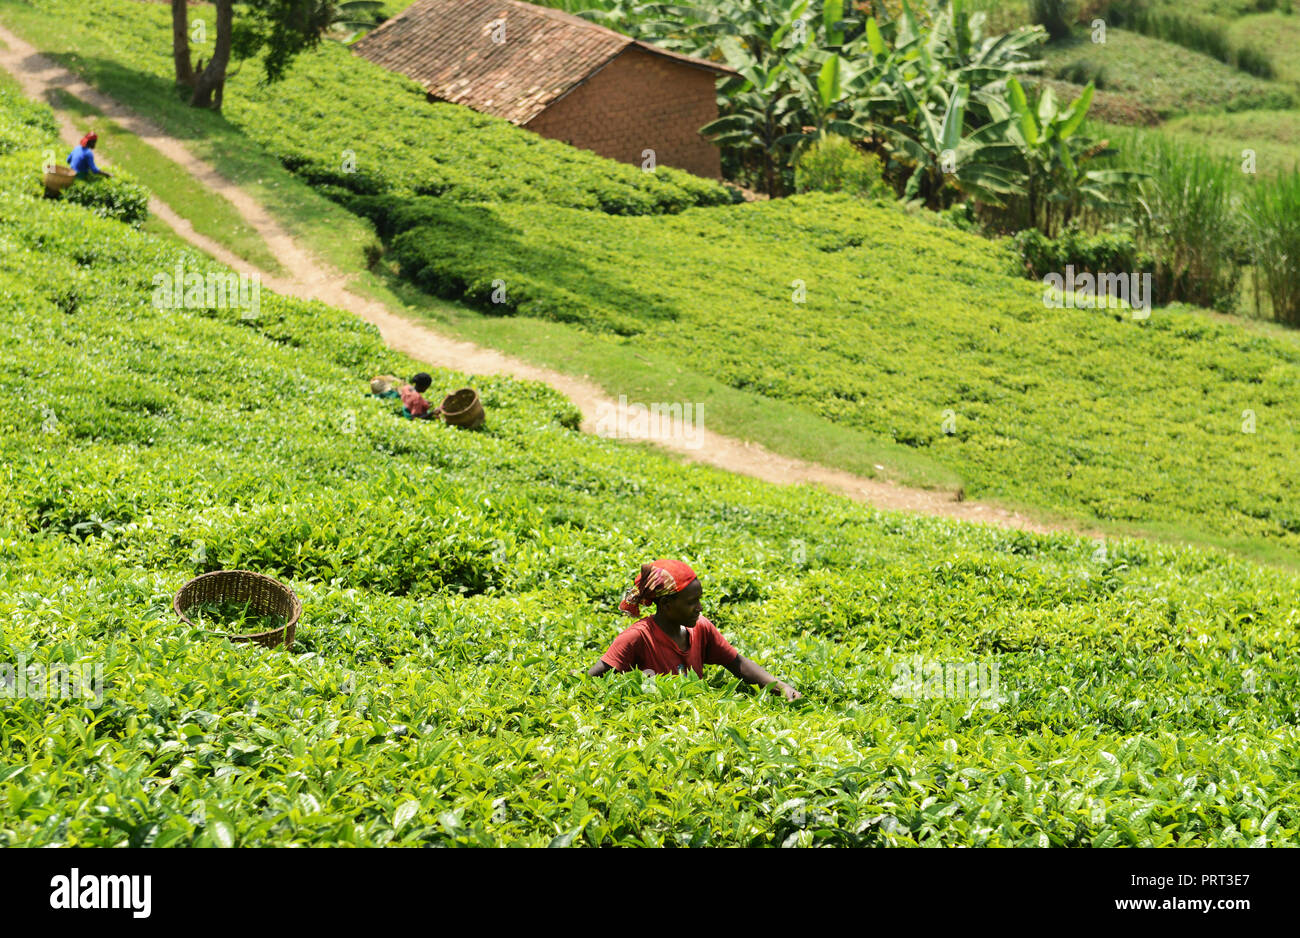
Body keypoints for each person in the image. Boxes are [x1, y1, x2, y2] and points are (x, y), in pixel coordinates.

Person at [588, 559, 802, 700]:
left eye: (699, 599)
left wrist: (781, 687)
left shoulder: (702, 628)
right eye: (692, 602)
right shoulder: (637, 637)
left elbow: (738, 664)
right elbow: (593, 678)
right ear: (666, 604)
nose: (699, 607)